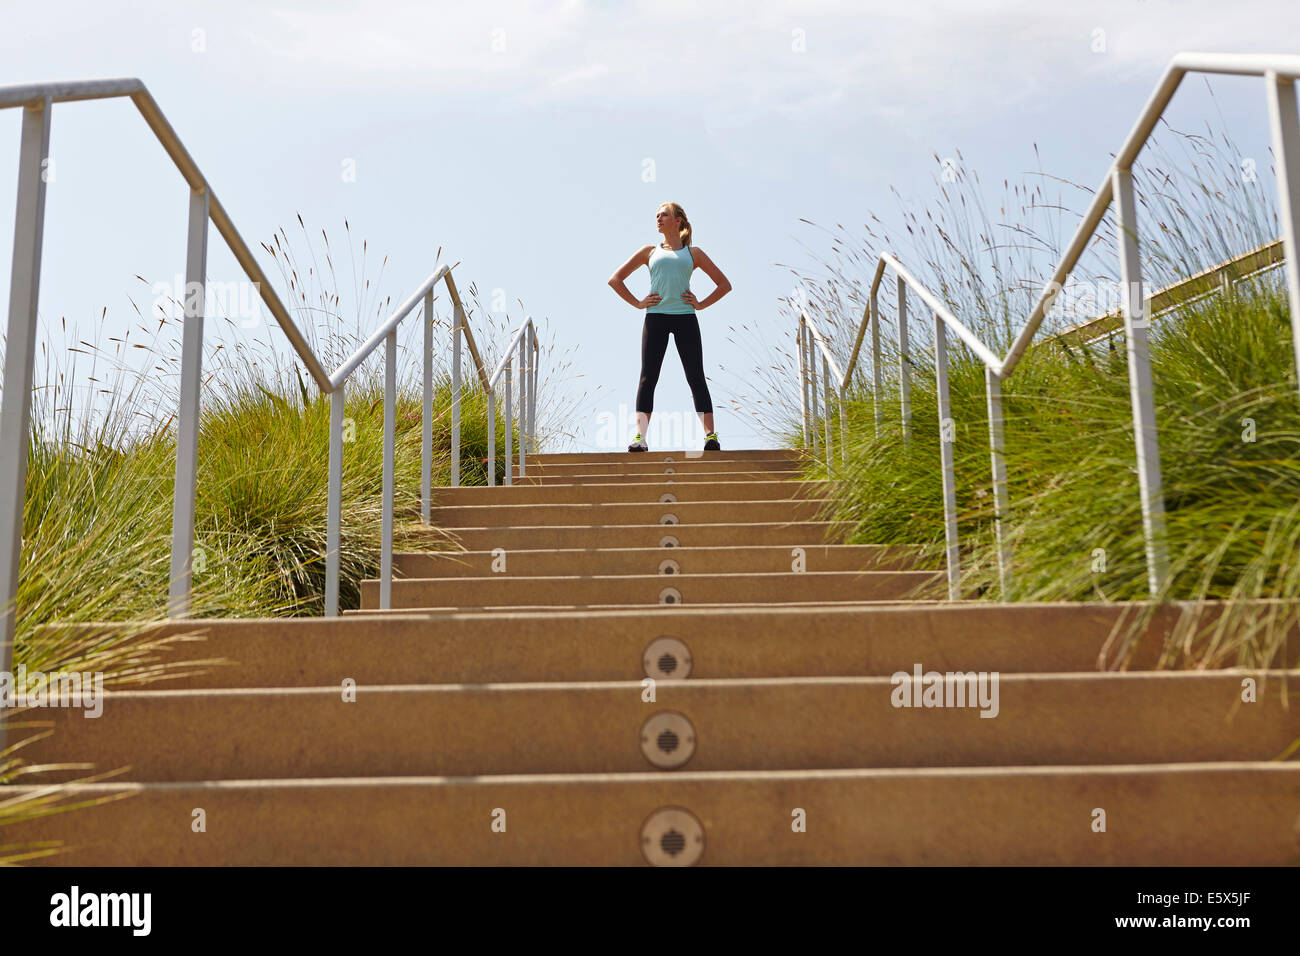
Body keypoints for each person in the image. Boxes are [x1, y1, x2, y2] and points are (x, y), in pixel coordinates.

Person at [607, 201, 732, 452]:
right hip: (656, 318)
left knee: (695, 376)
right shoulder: (648, 252)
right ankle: (639, 438)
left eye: (664, 215)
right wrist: (638, 303)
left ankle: (710, 436)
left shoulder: (693, 253)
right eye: (656, 216)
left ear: (678, 221)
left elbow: (724, 284)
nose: (658, 219)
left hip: (685, 318)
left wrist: (701, 304)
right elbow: (615, 279)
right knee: (648, 377)